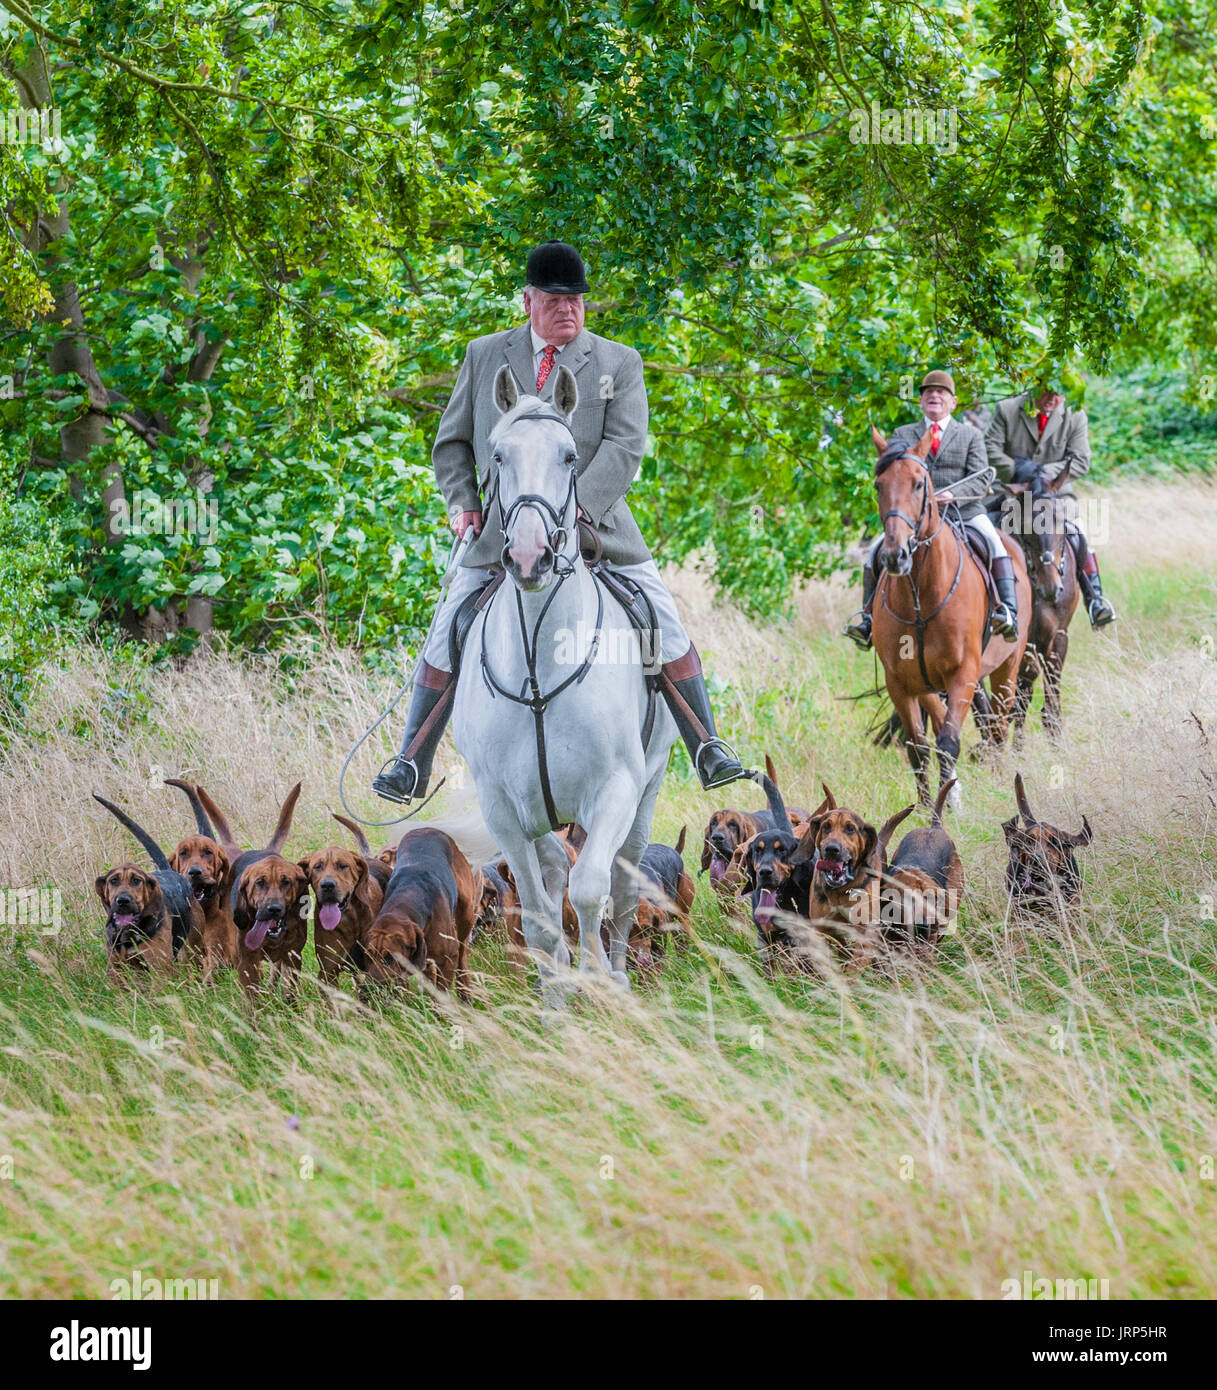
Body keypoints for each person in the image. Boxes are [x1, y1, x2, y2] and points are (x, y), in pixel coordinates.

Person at [372, 240, 744, 804]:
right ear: (527, 301)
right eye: (554, 299)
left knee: (659, 619)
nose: (568, 309)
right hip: (500, 532)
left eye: (577, 300)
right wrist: (462, 502)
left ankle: (707, 745)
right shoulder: (484, 356)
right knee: (447, 628)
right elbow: (450, 444)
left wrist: (577, 506)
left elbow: (625, 446)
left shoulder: (618, 362)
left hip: (596, 530)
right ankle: (410, 761)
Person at [845, 369, 1017, 650]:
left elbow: (983, 476)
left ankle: (1005, 610)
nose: (934, 395)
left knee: (994, 543)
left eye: (942, 393)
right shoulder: (903, 434)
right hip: (914, 516)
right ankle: (866, 619)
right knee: (877, 549)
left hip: (963, 511)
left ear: (954, 402)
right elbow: (896, 475)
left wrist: (953, 494)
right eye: (928, 393)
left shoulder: (970, 434)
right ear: (921, 402)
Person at [984, 374, 1116, 628]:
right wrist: (1022, 474)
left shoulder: (1075, 415)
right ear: (1036, 386)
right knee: (986, 535)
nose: (1052, 400)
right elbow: (990, 449)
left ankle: (1095, 599)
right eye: (1047, 392)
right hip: (1014, 493)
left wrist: (1040, 476)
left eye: (1059, 395)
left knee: (1080, 534)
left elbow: (1080, 461)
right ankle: (990, 603)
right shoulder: (1007, 409)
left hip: (1056, 495)